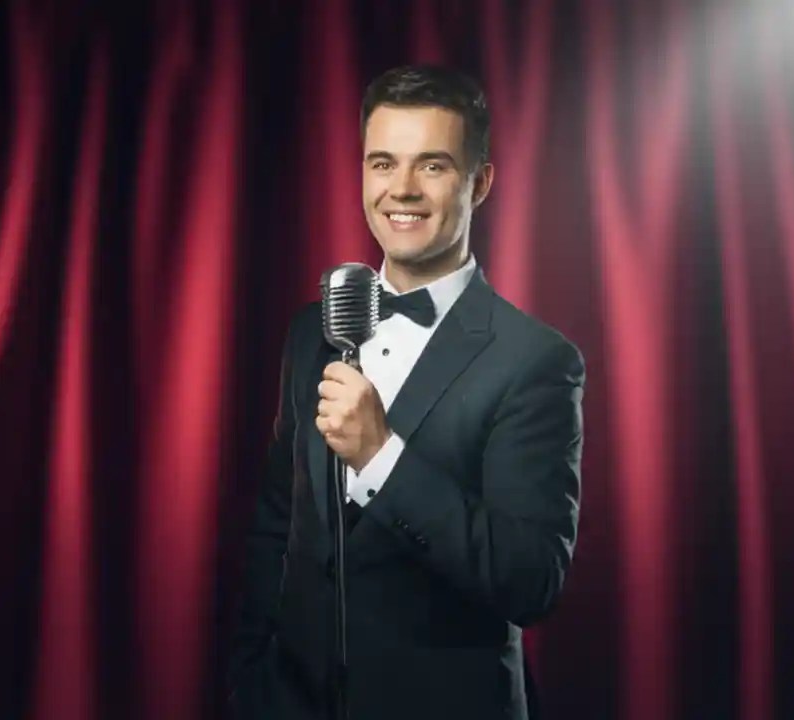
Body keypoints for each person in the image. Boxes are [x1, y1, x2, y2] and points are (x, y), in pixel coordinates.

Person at [228, 64, 585, 720]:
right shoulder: (313, 332)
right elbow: (278, 526)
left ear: (480, 183)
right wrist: (253, 682)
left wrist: (381, 456)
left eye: (433, 166)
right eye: (383, 163)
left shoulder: (537, 362)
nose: (402, 190)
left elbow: (530, 581)